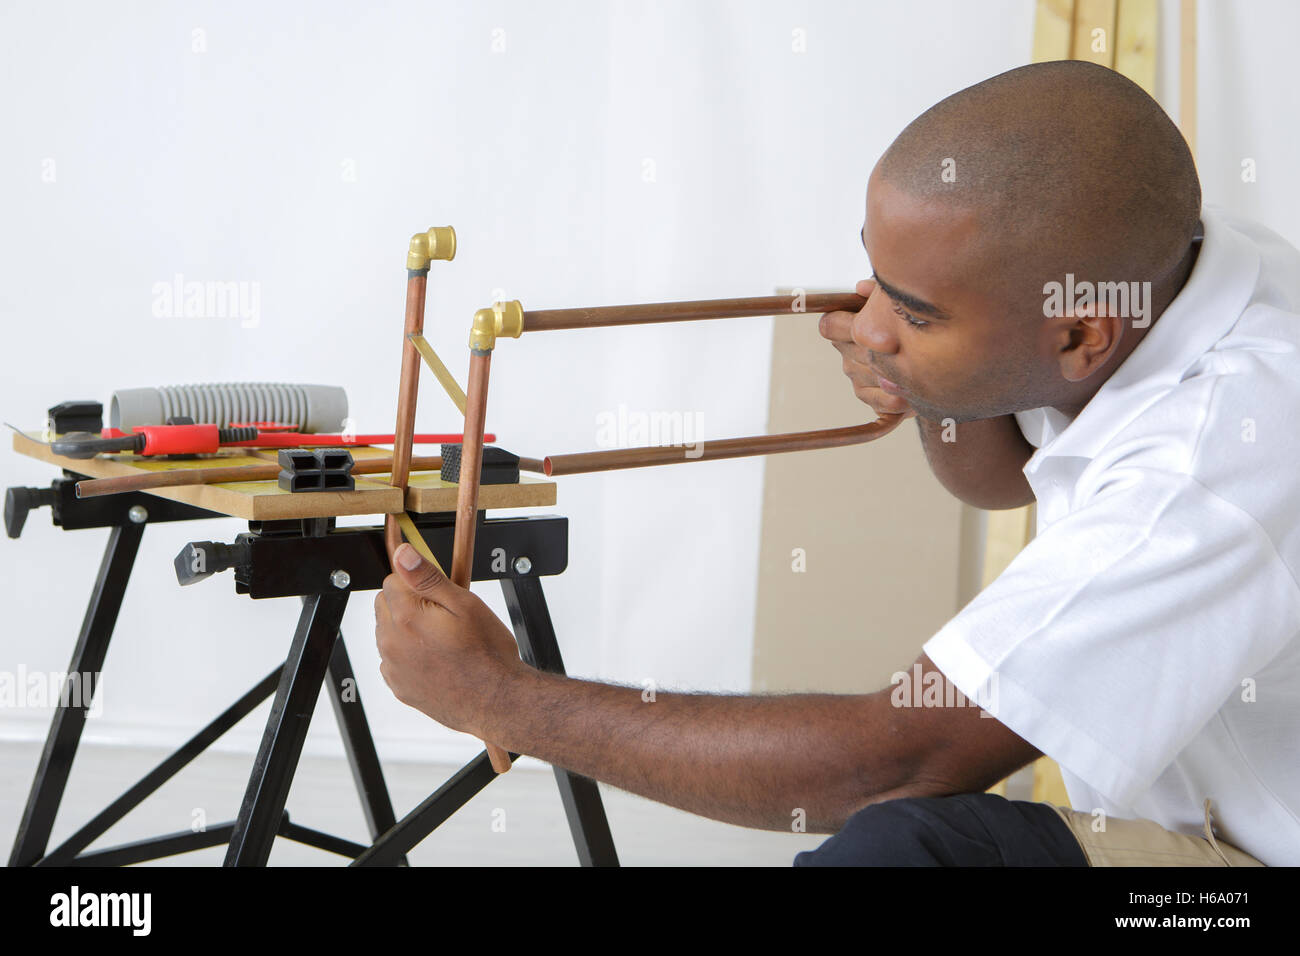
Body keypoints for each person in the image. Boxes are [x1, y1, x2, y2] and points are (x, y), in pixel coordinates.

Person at [374, 60, 1300, 866]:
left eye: (916, 313)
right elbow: (1012, 475)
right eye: (877, 281)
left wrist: (501, 698)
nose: (866, 330)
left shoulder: (1212, 460)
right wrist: (931, 381)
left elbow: (889, 761)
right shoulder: (1171, 274)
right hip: (1208, 833)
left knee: (891, 843)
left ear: (1079, 336)